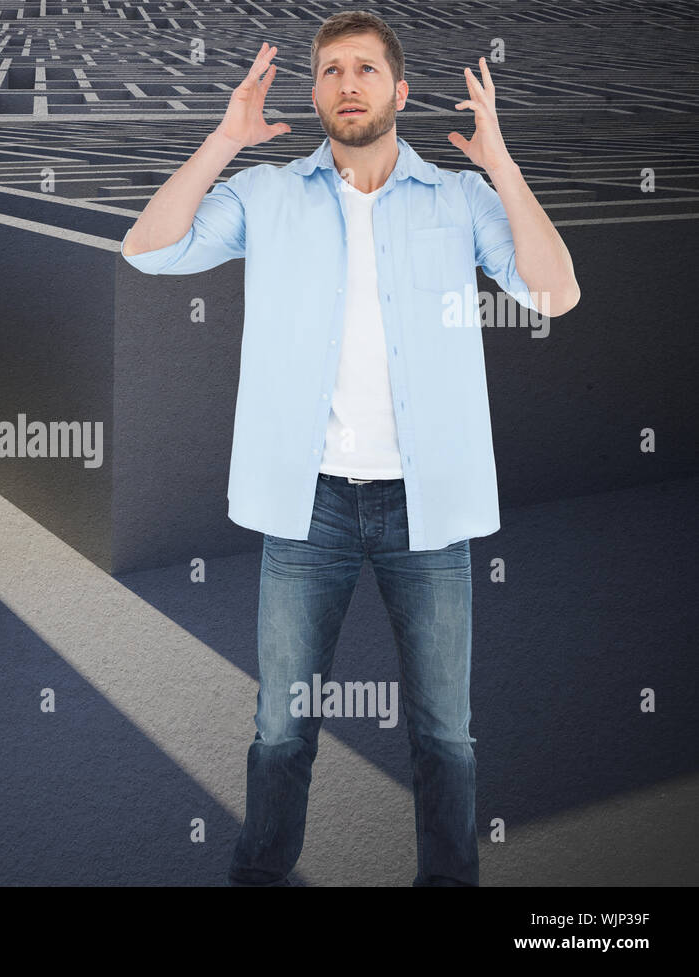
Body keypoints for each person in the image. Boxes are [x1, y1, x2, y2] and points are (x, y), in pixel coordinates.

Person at [121, 10, 579, 886]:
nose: (347, 83)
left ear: (398, 91)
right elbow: (149, 249)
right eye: (331, 69)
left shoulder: (459, 199)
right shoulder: (267, 194)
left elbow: (555, 294)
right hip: (310, 503)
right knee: (281, 729)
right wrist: (225, 139)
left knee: (446, 731)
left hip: (427, 503)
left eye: (365, 68)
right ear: (317, 92)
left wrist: (504, 168)